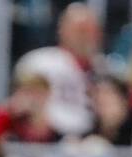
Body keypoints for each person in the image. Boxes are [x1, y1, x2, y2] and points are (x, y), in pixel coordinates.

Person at [15, 2, 102, 138]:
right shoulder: (39, 62)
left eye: (91, 30)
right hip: (46, 138)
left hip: (92, 139)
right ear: (62, 29)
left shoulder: (106, 69)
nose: (85, 36)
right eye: (80, 30)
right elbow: (21, 106)